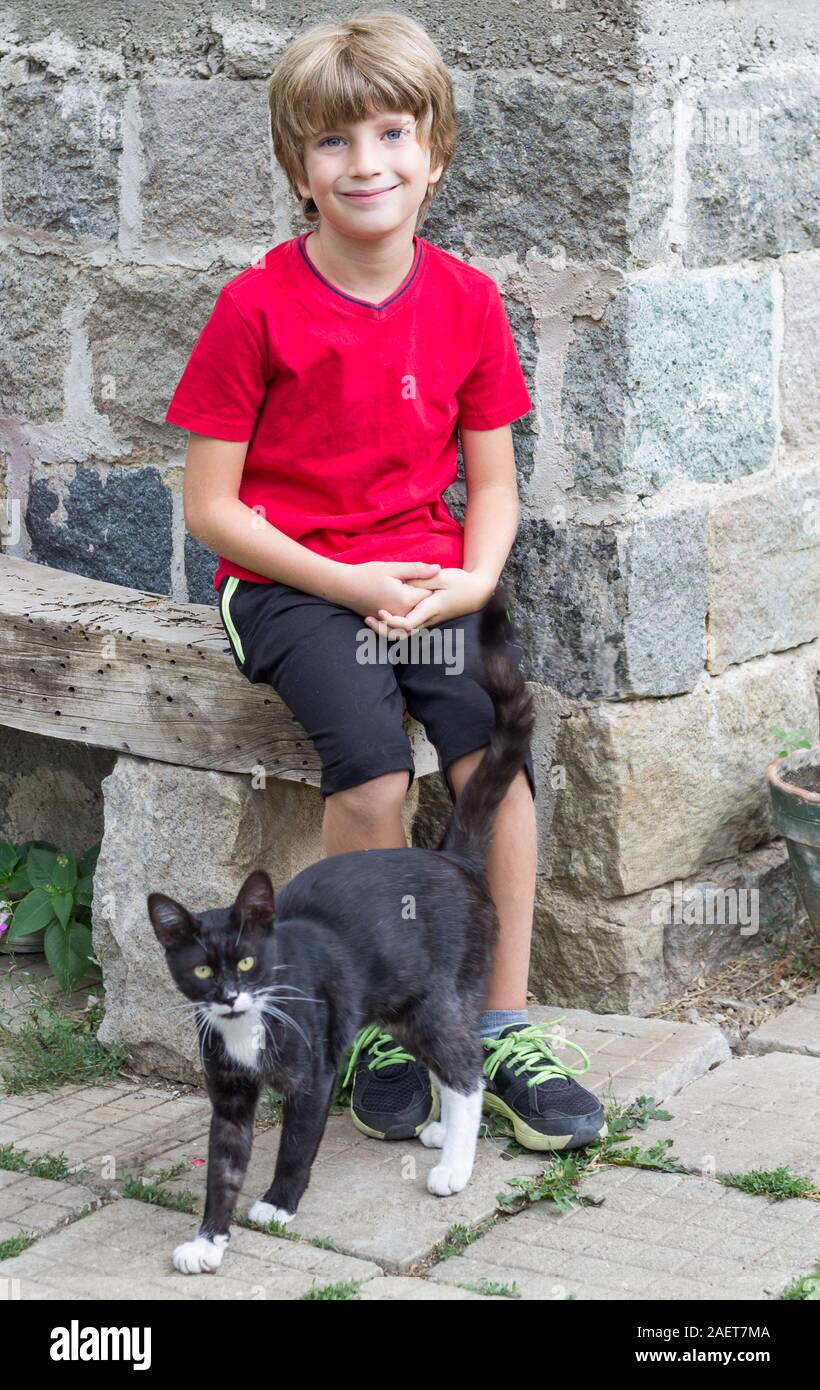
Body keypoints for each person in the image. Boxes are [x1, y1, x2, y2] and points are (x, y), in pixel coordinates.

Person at [165, 11, 606, 1153]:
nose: (366, 164)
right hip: (287, 579)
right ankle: (359, 1020)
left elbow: (493, 484)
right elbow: (213, 507)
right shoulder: (255, 308)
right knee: (368, 772)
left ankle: (495, 1023)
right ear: (294, 168)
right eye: (332, 143)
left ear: (435, 154)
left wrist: (469, 584)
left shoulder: (463, 300)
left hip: (422, 578)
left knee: (490, 770)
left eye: (392, 134)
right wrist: (346, 582)